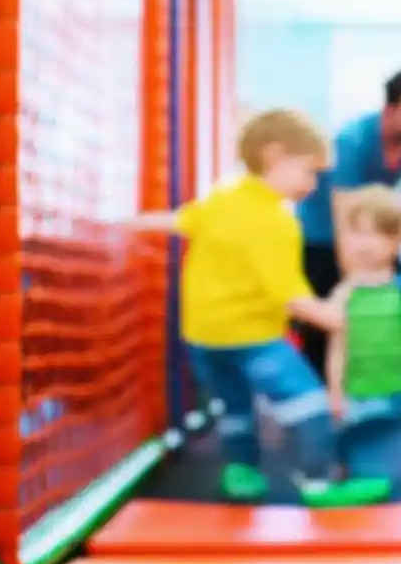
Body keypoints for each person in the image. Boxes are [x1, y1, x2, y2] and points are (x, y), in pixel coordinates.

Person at [136, 108, 348, 503]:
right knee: (308, 403)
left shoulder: (221, 199)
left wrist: (129, 223)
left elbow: (179, 221)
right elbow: (288, 293)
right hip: (254, 335)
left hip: (203, 335)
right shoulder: (277, 221)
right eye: (308, 171)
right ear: (274, 156)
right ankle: (320, 479)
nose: (313, 184)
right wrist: (333, 318)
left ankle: (241, 471)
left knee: (234, 407)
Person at [295, 69, 401, 379]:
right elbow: (345, 220)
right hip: (322, 236)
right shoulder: (352, 142)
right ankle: (323, 395)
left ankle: (396, 383)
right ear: (390, 111)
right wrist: (355, 283)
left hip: (365, 231)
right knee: (327, 319)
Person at [326, 186, 401, 473]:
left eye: (376, 234)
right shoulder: (343, 296)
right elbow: (337, 348)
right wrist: (335, 393)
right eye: (357, 233)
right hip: (355, 396)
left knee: (384, 458)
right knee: (351, 453)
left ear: (396, 241)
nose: (365, 244)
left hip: (397, 393)